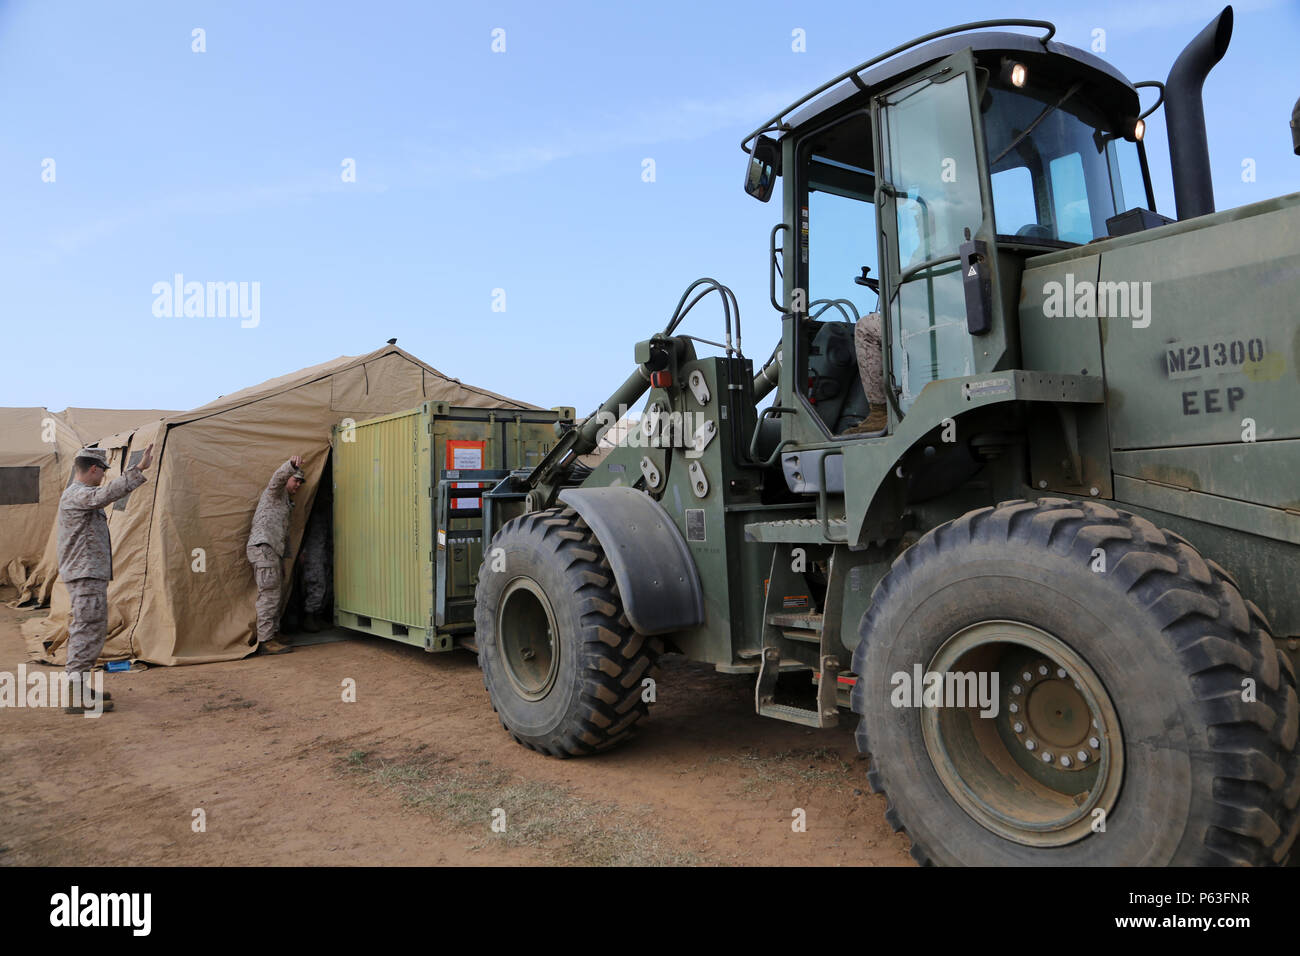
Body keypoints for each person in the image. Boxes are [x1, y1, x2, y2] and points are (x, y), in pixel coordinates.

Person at [57, 444, 154, 714]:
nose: (103, 477)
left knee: (92, 629)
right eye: (102, 472)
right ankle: (76, 693)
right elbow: (104, 495)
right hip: (84, 574)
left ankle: (81, 687)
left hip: (89, 573)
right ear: (93, 469)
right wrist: (139, 469)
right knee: (86, 629)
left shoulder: (80, 494)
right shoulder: (78, 495)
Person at [246, 455, 304, 655]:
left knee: (275, 593)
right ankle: (266, 640)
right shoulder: (275, 493)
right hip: (264, 548)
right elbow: (277, 479)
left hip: (271, 551)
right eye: (296, 480)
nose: (298, 485)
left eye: (301, 482)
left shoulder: (286, 502)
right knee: (269, 595)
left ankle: (273, 632)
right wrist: (290, 466)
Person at [299, 482, 332, 633]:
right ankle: (309, 616)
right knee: (316, 581)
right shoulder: (310, 513)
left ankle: (317, 615)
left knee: (325, 581)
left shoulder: (325, 515)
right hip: (313, 553)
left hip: (321, 552)